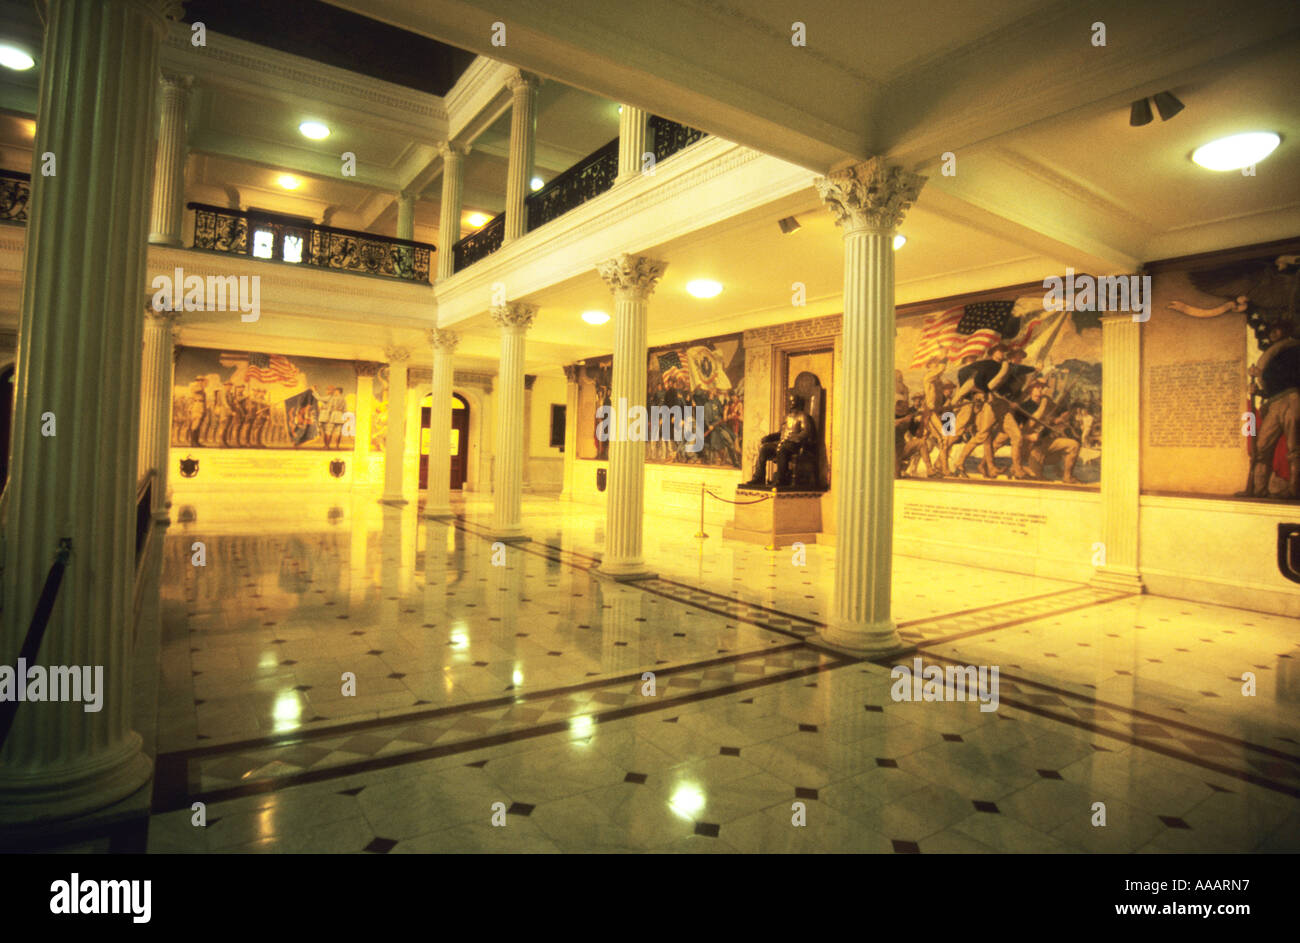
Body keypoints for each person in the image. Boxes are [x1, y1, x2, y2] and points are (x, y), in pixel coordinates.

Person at [1242, 319, 1300, 498]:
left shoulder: (1294, 349)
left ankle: (1294, 490)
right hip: (1274, 402)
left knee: (1294, 447)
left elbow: (1288, 376)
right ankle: (1258, 490)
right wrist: (1258, 390)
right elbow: (1272, 387)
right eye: (1271, 331)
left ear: (1286, 331)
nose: (1273, 333)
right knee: (1262, 446)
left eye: (1278, 330)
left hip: (1292, 398)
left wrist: (1260, 374)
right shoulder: (1272, 355)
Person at [745, 392, 813, 488]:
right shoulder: (787, 417)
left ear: (798, 403)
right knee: (764, 448)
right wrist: (768, 437)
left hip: (794, 444)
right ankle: (759, 478)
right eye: (790, 402)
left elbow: (806, 432)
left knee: (783, 449)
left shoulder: (803, 416)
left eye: (793, 402)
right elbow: (780, 433)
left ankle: (782, 479)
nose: (792, 404)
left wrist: (793, 438)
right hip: (782, 442)